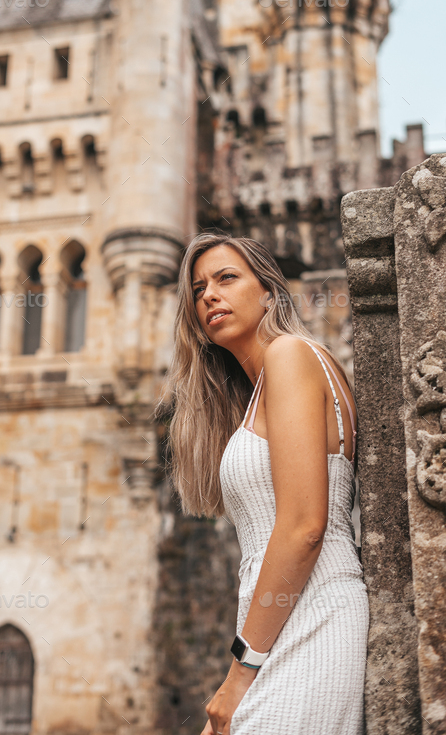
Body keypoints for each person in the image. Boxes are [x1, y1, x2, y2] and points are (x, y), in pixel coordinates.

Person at [154, 232, 369, 735]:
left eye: (226, 278)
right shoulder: (261, 389)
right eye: (198, 288)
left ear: (270, 292)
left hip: (313, 618)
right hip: (280, 629)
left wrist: (237, 675)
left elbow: (303, 528)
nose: (209, 294)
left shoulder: (290, 355)